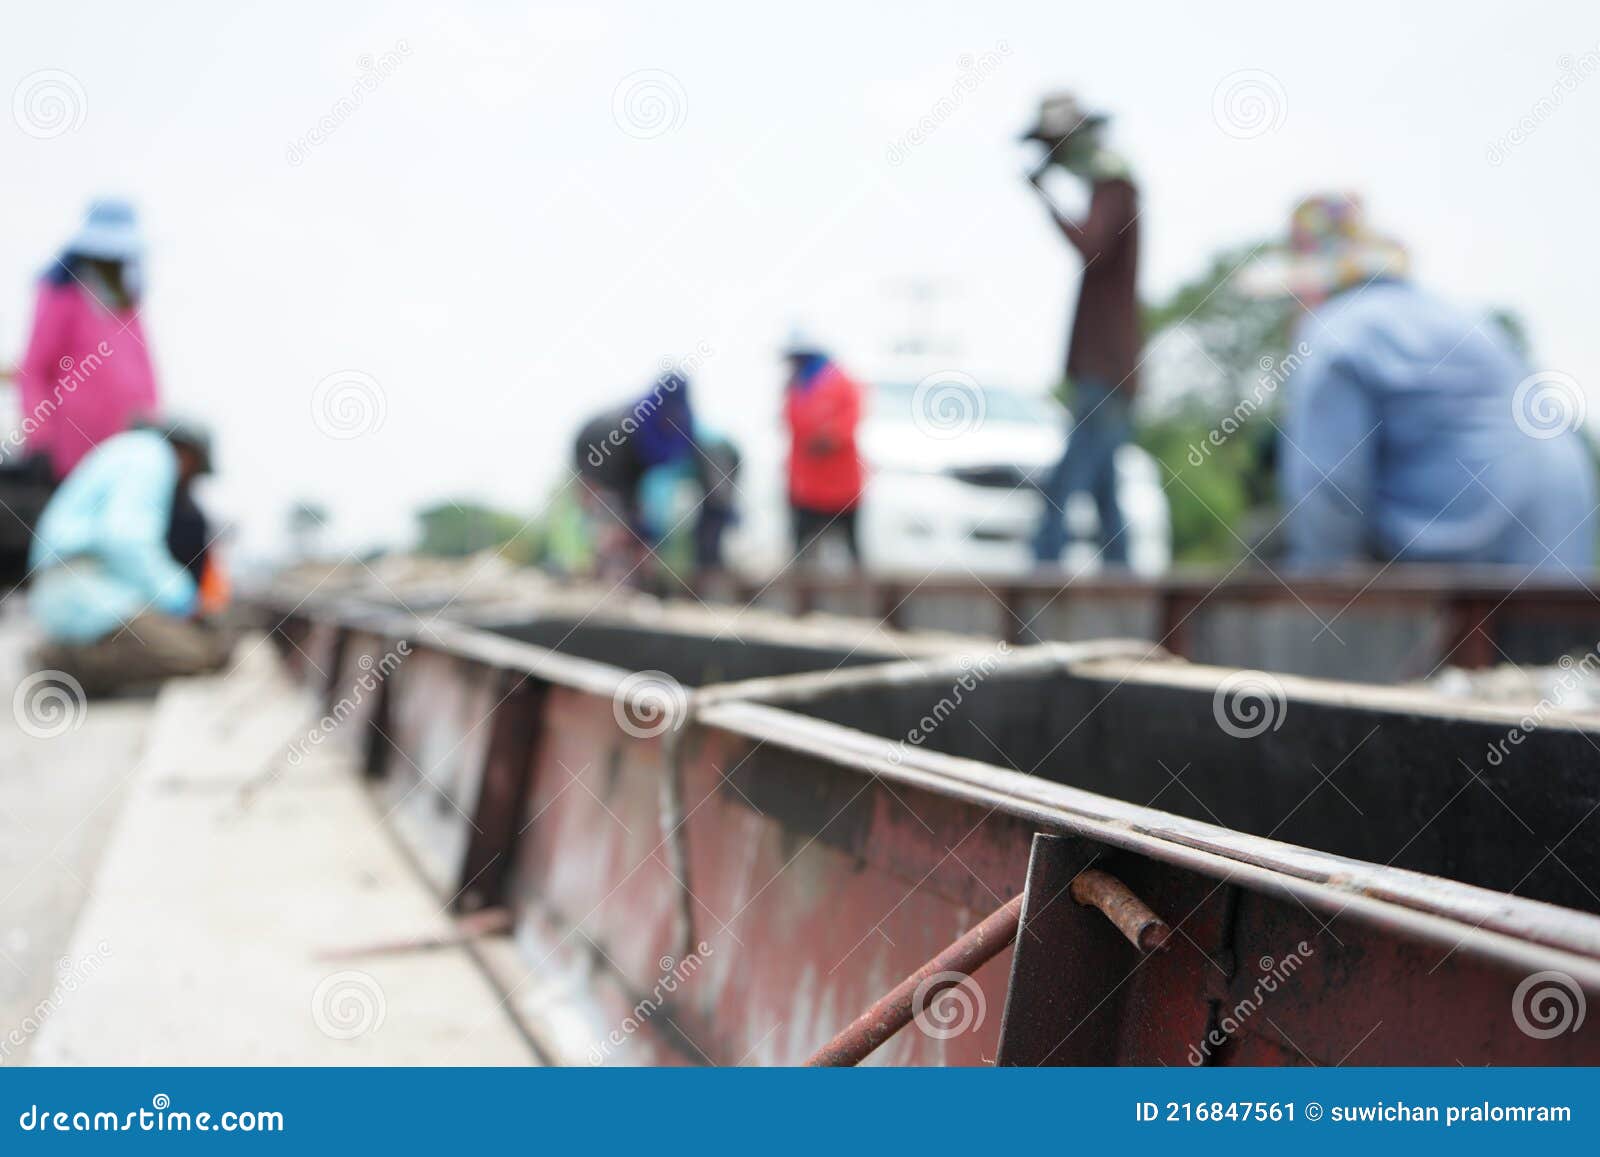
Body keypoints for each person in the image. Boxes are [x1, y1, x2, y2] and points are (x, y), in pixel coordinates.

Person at [1243, 193, 1596, 571]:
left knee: (1262, 546)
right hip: (1563, 543)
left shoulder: (1333, 331)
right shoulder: (1461, 317)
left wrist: (1315, 596)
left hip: (1479, 540)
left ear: (1310, 286)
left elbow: (1329, 488)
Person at [1021, 92, 1141, 567]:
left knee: (1073, 471)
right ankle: (1122, 573)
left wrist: (1044, 196)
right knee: (1101, 479)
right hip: (1102, 360)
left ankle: (1042, 564)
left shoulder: (1114, 184)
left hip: (1106, 362)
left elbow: (1091, 246)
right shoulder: (1109, 185)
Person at [27, 421, 231, 696]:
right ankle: (63, 663)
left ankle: (69, 660)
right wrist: (181, 596)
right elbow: (125, 539)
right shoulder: (152, 456)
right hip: (84, 590)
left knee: (192, 646)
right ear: (187, 454)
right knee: (197, 654)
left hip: (70, 590)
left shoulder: (126, 451)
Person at [17, 199, 162, 481]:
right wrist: (39, 437)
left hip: (121, 454)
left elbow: (145, 370)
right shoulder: (61, 295)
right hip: (68, 456)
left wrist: (152, 428)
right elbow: (34, 370)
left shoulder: (126, 303)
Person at [572, 370, 698, 580]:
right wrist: (632, 526)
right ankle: (600, 570)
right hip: (594, 450)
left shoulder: (677, 429)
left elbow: (636, 488)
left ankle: (626, 569)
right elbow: (621, 490)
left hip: (629, 468)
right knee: (609, 516)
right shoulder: (625, 428)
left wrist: (642, 532)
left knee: (631, 521)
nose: (672, 417)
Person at [781, 334, 865, 567]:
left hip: (842, 488)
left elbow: (851, 419)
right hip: (805, 488)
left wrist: (829, 437)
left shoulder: (842, 383)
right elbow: (790, 425)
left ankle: (861, 598)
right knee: (801, 552)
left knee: (851, 550)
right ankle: (802, 598)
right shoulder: (795, 388)